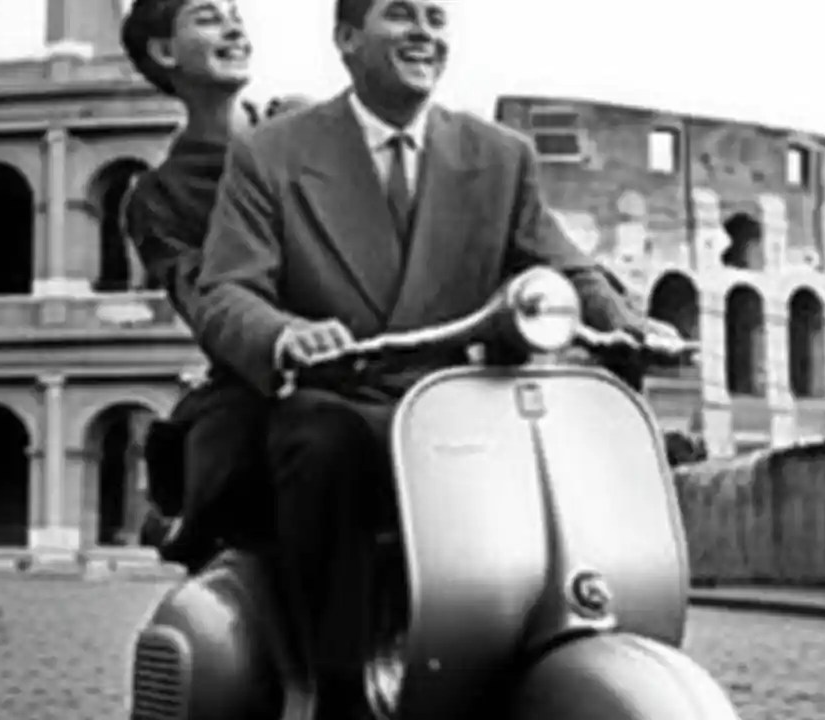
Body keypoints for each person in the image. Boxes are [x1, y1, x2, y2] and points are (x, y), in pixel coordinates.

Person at [193, 0, 678, 713]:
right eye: (400, 15)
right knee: (320, 442)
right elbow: (226, 289)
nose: (424, 31)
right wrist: (283, 334)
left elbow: (563, 265)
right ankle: (339, 689)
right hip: (340, 398)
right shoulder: (273, 152)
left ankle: (520, 659)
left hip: (458, 401)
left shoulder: (500, 156)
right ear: (348, 38)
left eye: (436, 16)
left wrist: (628, 324)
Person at [119, 0, 279, 571]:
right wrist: (283, 338)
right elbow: (203, 298)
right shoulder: (157, 198)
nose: (235, 28)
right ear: (165, 52)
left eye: (237, 15)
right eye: (210, 16)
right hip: (268, 374)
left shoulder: (303, 136)